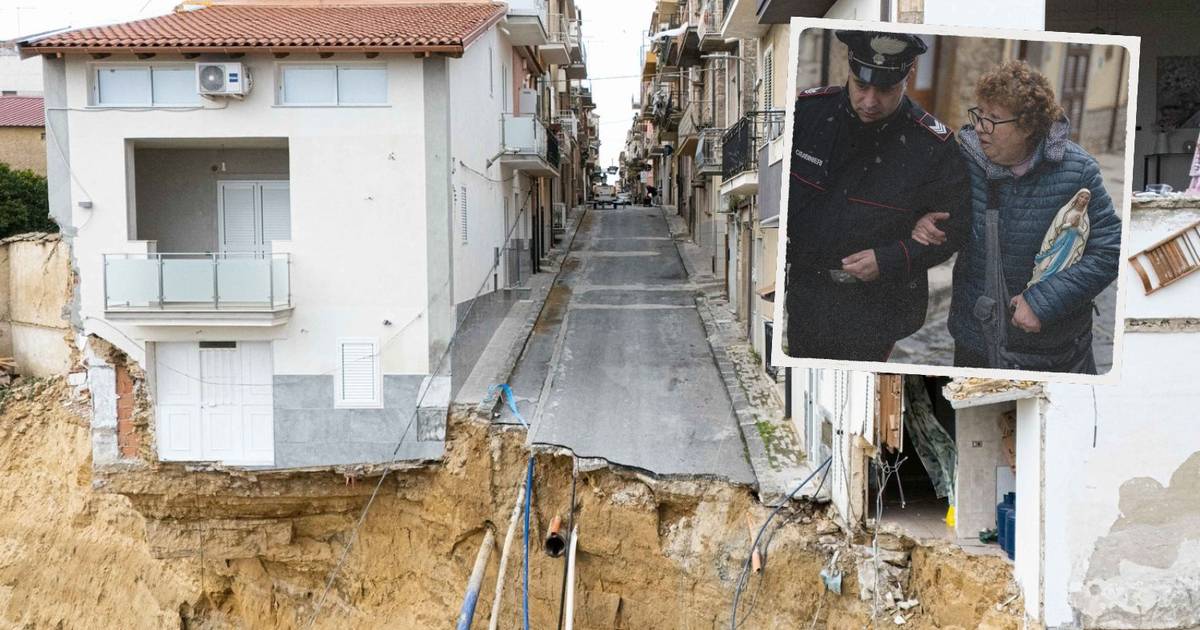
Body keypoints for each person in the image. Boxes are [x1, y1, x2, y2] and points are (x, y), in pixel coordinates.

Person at [914, 60, 1121, 373]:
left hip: (1052, 347)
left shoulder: (1077, 171)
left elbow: (1109, 249)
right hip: (976, 339)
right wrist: (921, 218)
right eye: (980, 113)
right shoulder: (964, 160)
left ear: (1027, 127)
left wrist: (1042, 303)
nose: (981, 126)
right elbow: (930, 206)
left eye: (994, 119)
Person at [784, 30, 970, 361]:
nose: (870, 101)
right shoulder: (807, 115)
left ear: (908, 75)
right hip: (807, 296)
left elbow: (954, 228)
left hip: (877, 308)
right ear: (849, 69)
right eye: (861, 85)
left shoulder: (931, 146)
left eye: (885, 90)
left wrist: (891, 259)